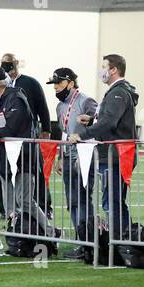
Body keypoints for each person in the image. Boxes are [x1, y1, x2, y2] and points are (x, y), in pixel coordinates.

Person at [0, 65, 53, 243]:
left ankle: (50, 231)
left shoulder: (16, 98)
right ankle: (14, 237)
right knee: (9, 204)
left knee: (24, 200)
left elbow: (9, 129)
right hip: (4, 157)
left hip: (22, 157)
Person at [72, 54, 137, 238]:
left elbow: (110, 122)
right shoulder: (119, 91)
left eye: (104, 66)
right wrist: (93, 120)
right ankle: (123, 239)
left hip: (115, 156)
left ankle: (119, 240)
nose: (101, 70)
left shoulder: (118, 92)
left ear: (114, 70)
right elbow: (111, 120)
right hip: (114, 155)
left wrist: (82, 134)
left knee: (112, 202)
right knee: (113, 201)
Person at [51, 68, 99, 260]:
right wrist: (60, 157)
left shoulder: (86, 101)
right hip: (69, 155)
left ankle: (89, 241)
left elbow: (97, 125)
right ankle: (82, 241)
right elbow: (64, 134)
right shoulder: (60, 107)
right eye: (54, 83)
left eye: (59, 83)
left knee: (83, 199)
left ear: (70, 83)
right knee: (72, 201)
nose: (55, 87)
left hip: (84, 156)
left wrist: (86, 149)